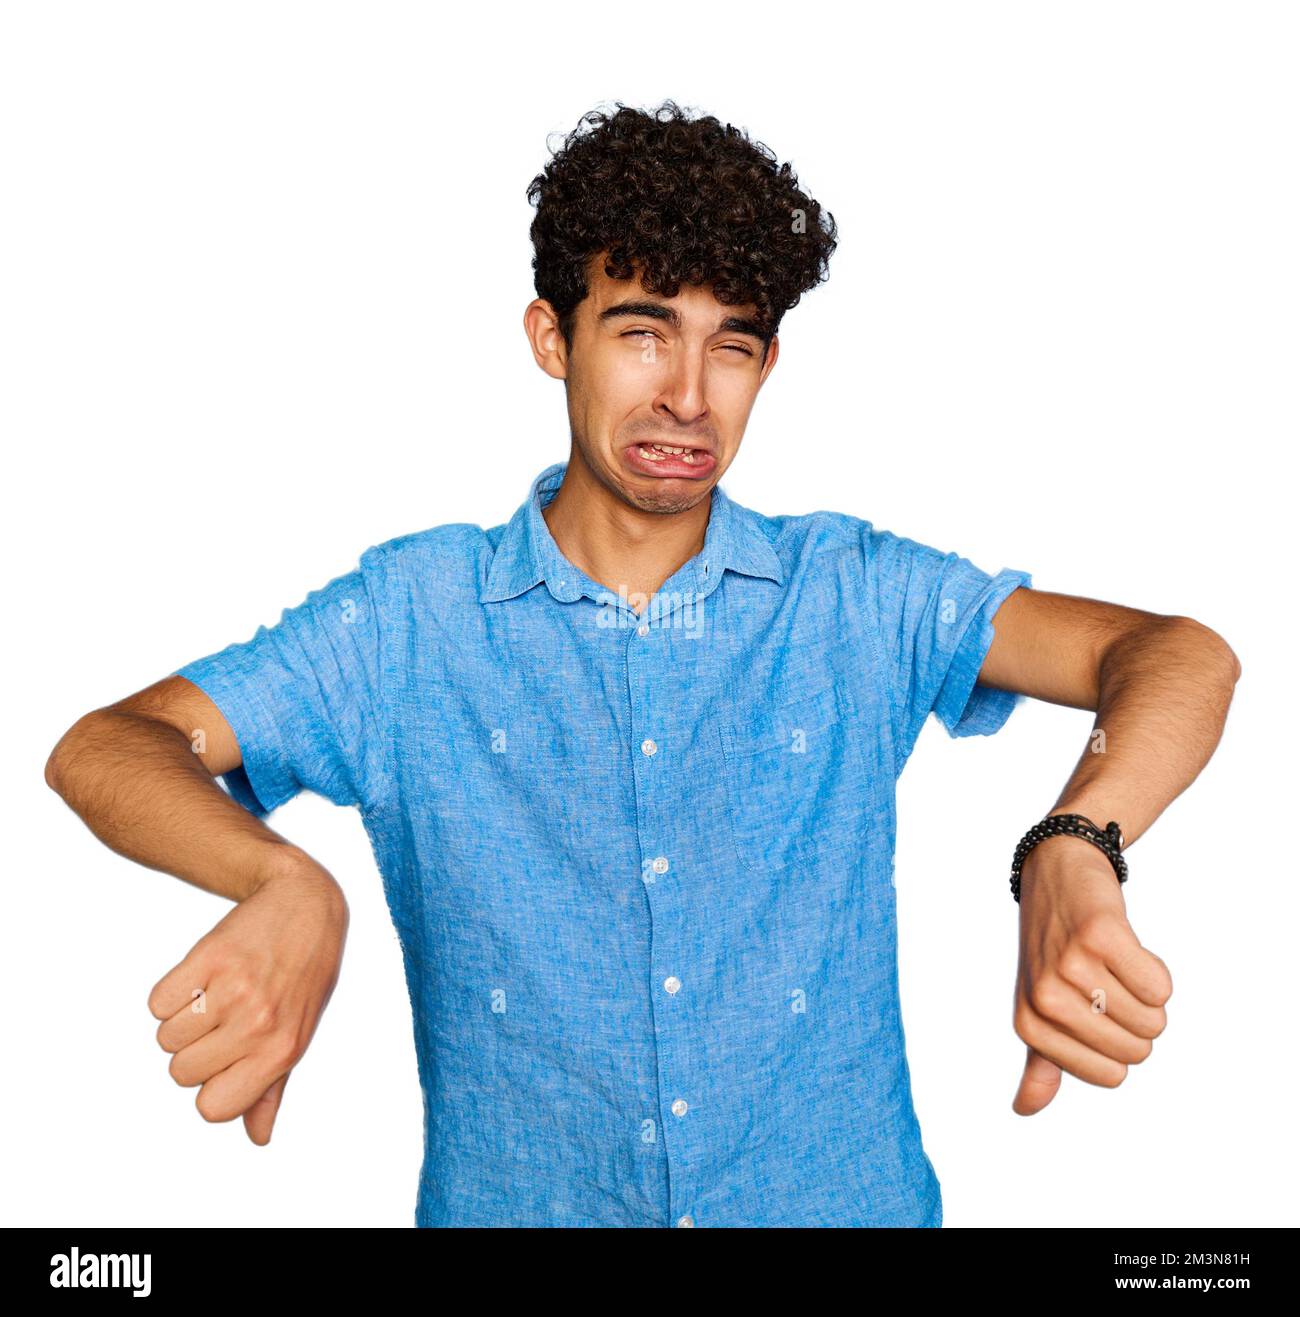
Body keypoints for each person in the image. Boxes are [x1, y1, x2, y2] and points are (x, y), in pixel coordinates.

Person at [45, 100, 1240, 1228]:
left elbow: (1173, 655)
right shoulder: (408, 621)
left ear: (765, 366)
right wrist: (283, 880)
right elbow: (109, 746)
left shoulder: (855, 594)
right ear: (549, 339)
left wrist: (1076, 843)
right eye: (639, 331)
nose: (685, 395)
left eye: (731, 345)